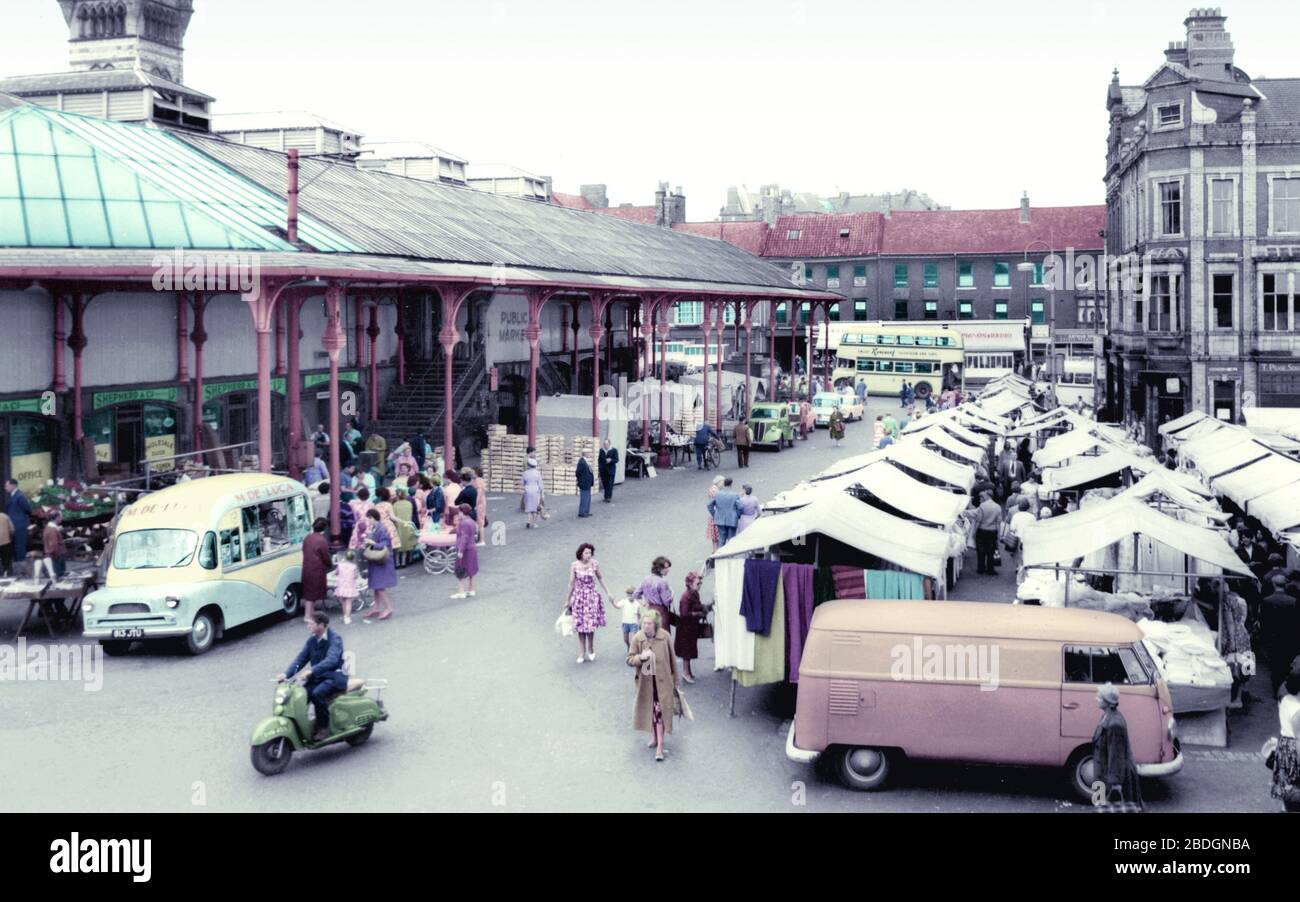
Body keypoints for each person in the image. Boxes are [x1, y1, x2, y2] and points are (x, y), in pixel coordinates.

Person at [276, 612, 348, 742]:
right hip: (318, 678)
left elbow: (331, 660)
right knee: (300, 695)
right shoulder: (312, 641)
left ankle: (323, 727)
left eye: (311, 623)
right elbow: (300, 660)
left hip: (334, 677)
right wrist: (286, 674)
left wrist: (312, 670)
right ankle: (301, 727)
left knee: (317, 694)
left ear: (321, 625)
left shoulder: (335, 639)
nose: (308, 626)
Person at [627, 609, 679, 762]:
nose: (646, 626)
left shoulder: (665, 637)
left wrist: (676, 681)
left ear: (655, 624)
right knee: (651, 711)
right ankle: (654, 737)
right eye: (644, 623)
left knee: (660, 713)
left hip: (663, 684)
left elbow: (673, 661)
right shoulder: (638, 638)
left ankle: (660, 747)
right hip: (646, 684)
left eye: (649, 623)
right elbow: (629, 659)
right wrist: (640, 657)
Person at [1092, 683, 1144, 808]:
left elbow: (1116, 756)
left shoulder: (1115, 724)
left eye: (1099, 697)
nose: (1096, 699)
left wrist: (1115, 785)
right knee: (1100, 807)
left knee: (1116, 808)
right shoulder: (1107, 716)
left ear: (1108, 701)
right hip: (1102, 776)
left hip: (1112, 779)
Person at [566, 543, 612, 663]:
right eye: (586, 553)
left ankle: (590, 648)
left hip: (591, 597)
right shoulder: (574, 565)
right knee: (581, 625)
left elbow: (600, 578)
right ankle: (582, 651)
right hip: (579, 598)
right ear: (581, 553)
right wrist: (568, 599)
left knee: (590, 625)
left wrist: (608, 592)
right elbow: (571, 583)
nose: (589, 555)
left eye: (590, 553)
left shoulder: (595, 564)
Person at [1269, 665, 1300, 812]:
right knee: (1295, 788)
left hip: (1284, 745)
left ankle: (1284, 808)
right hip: (1295, 749)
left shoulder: (1285, 700)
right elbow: (1299, 738)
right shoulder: (1298, 710)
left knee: (1285, 783)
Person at [674, 571, 709, 684]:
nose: (699, 586)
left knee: (689, 650)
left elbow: (697, 605)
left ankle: (688, 672)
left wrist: (705, 607)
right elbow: (684, 615)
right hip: (685, 628)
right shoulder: (686, 596)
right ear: (690, 583)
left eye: (700, 584)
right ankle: (686, 673)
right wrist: (698, 614)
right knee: (686, 652)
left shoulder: (694, 593)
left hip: (691, 627)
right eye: (697, 583)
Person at [361, 509, 396, 621]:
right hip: (377, 560)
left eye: (369, 519)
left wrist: (373, 543)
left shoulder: (381, 528)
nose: (368, 521)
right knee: (376, 585)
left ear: (372, 518)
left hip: (381, 560)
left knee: (379, 586)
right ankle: (376, 607)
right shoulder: (376, 528)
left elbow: (385, 544)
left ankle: (388, 607)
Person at [300, 518, 332, 623]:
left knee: (309, 593)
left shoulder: (307, 538)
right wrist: (330, 564)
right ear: (324, 528)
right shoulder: (322, 540)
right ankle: (307, 616)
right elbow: (325, 557)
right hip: (316, 569)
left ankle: (310, 614)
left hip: (306, 567)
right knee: (312, 595)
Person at [632, 556, 675, 636]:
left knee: (652, 635)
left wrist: (644, 603)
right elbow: (666, 601)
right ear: (659, 568)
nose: (668, 570)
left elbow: (635, 594)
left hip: (650, 611)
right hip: (661, 613)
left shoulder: (646, 579)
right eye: (666, 568)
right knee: (663, 636)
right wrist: (672, 594)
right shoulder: (662, 582)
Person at [450, 503, 479, 599]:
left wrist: (460, 551)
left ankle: (461, 592)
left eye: (459, 512)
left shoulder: (463, 523)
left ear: (462, 512)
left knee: (460, 570)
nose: (458, 514)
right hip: (472, 548)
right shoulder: (471, 521)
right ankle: (471, 590)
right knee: (471, 570)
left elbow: (464, 538)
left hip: (465, 549)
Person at [973, 490, 1002, 576]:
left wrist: (974, 532)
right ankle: (990, 569)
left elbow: (978, 520)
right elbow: (998, 522)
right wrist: (998, 535)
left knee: (980, 550)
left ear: (988, 496)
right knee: (991, 550)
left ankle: (981, 568)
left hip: (982, 530)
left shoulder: (982, 506)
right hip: (992, 531)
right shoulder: (998, 507)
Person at [6, 479, 33, 571]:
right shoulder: (13, 495)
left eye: (7, 485)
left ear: (13, 485)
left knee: (20, 546)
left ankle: (21, 568)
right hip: (13, 525)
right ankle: (17, 567)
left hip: (20, 525)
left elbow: (28, 509)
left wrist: (20, 518)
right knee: (15, 546)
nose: (5, 488)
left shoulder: (20, 496)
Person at [709, 477, 742, 548]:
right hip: (732, 519)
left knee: (721, 538)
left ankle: (721, 555)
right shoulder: (735, 495)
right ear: (731, 484)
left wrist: (714, 514)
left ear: (724, 484)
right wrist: (738, 515)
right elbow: (740, 507)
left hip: (720, 519)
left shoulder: (717, 494)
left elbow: (709, 505)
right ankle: (730, 555)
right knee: (731, 539)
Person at [335, 550, 360, 625]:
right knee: (348, 602)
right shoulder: (354, 566)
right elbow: (356, 576)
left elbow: (336, 573)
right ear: (353, 559)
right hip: (349, 587)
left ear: (345, 557)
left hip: (341, 586)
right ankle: (347, 617)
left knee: (343, 602)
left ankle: (345, 615)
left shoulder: (340, 565)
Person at [40, 512, 67, 580]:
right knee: (59, 576)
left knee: (58, 576)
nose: (62, 518)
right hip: (56, 556)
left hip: (54, 555)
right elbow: (54, 545)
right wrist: (57, 556)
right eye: (61, 517)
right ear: (57, 518)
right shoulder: (52, 530)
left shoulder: (50, 528)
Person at [521, 458, 544, 528]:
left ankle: (528, 521)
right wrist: (542, 493)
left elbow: (523, 483)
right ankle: (534, 523)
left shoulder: (525, 473)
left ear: (528, 465)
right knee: (535, 508)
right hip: (535, 491)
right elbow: (540, 484)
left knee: (529, 507)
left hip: (527, 490)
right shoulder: (537, 473)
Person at [705, 476, 724, 552]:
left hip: (714, 514)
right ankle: (718, 551)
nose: (723, 484)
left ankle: (714, 550)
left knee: (714, 536)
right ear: (718, 482)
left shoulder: (713, 488)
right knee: (717, 535)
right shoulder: (715, 490)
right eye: (722, 482)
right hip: (717, 513)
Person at [598, 439, 619, 503]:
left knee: (610, 483)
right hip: (603, 470)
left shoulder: (614, 450)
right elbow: (599, 459)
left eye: (606, 444)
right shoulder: (601, 450)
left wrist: (611, 460)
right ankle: (605, 496)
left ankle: (608, 497)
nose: (605, 445)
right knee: (605, 483)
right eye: (604, 444)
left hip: (611, 470)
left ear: (609, 444)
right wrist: (599, 467)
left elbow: (617, 459)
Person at [575, 450, 595, 517]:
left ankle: (586, 511)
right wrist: (581, 480)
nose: (590, 454)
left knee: (588, 498)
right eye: (589, 453)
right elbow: (577, 473)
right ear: (585, 454)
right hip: (584, 483)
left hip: (587, 482)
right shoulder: (581, 462)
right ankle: (582, 512)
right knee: (584, 498)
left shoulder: (586, 460)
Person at [0, 506, 13, 577]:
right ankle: (6, 572)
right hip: (5, 541)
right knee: (6, 558)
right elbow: (12, 529)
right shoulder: (5, 516)